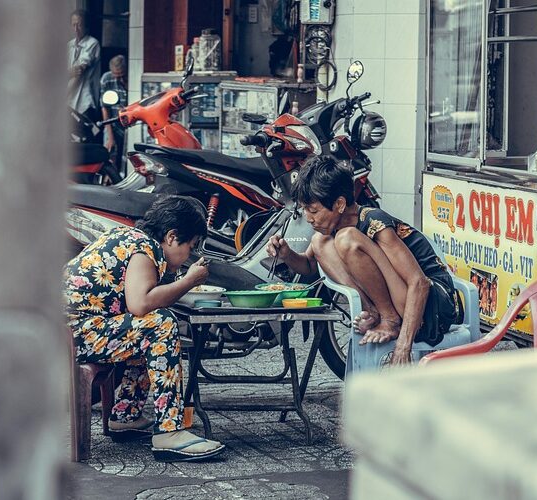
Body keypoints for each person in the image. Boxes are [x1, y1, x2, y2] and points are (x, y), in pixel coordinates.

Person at [64, 196, 225, 462]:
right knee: (160, 323)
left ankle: (126, 415)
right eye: (191, 246)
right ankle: (169, 433)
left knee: (145, 328)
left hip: (71, 331)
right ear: (172, 237)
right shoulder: (144, 248)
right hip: (75, 334)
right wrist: (188, 281)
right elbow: (141, 304)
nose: (189, 256)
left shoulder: (128, 236)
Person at [266, 156, 458, 365]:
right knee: (320, 242)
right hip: (404, 301)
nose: (309, 218)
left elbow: (419, 283)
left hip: (433, 306)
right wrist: (287, 254)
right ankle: (376, 313)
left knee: (347, 239)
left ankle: (390, 319)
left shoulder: (374, 221)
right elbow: (310, 265)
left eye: (313, 210)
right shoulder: (329, 230)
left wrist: (403, 346)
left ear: (339, 204)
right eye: (305, 210)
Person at [68, 10, 101, 120]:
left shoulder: (92, 43)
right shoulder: (70, 45)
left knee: (85, 133)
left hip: (84, 100)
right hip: (69, 100)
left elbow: (79, 71)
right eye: (74, 25)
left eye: (80, 25)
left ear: (86, 26)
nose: (76, 29)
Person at [99, 55, 128, 174]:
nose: (119, 78)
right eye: (117, 75)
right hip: (112, 121)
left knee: (127, 155)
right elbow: (104, 108)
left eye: (122, 74)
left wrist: (125, 82)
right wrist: (110, 136)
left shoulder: (131, 76)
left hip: (129, 122)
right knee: (110, 151)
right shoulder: (106, 79)